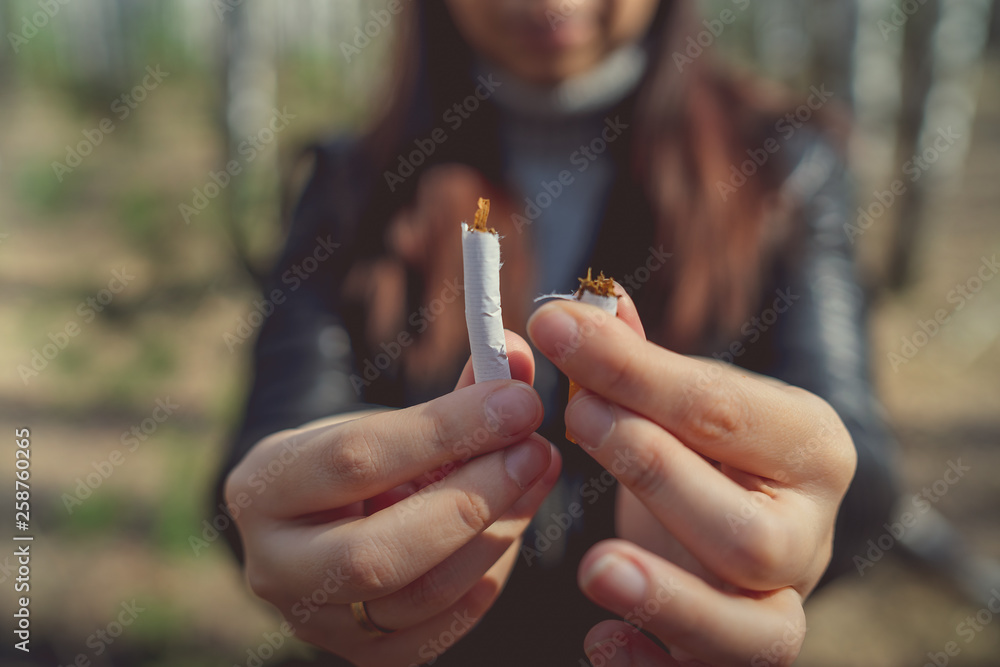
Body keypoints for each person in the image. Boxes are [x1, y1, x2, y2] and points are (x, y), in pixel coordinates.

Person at [214, 1, 899, 665]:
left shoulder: (784, 166)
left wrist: (752, 521)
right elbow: (268, 449)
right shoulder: (348, 184)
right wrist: (322, 538)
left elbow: (855, 466)